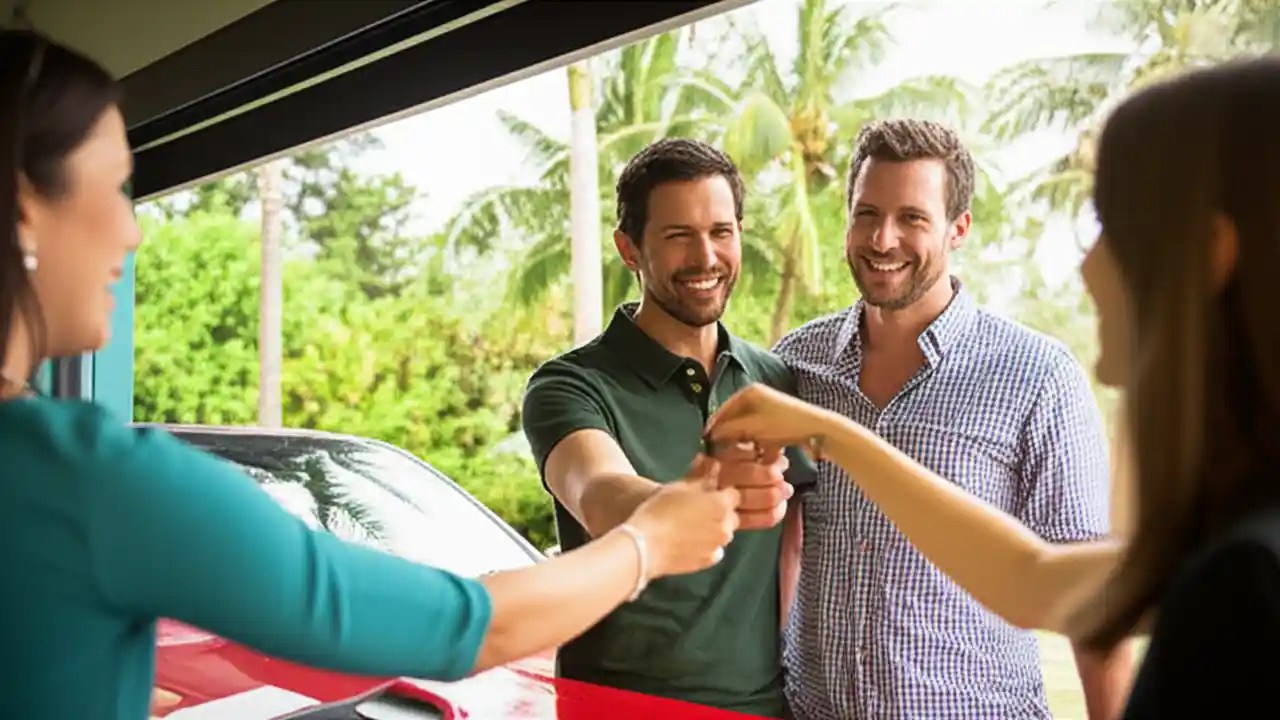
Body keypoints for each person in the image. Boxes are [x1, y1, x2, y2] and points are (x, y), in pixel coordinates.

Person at [0, 29, 742, 720]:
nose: (131, 230)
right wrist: (648, 542)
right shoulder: (86, 478)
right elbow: (460, 627)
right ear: (27, 210)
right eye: (112, 188)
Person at [706, 56, 1280, 718]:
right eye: (867, 213)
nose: (1088, 262)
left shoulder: (1249, 580)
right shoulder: (1223, 550)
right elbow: (1030, 580)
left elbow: (1065, 595)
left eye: (1112, 225)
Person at [760, 118, 1133, 720]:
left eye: (912, 218)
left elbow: (1091, 604)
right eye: (866, 213)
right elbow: (782, 543)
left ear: (958, 228)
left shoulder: (1038, 377)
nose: (883, 239)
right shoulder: (796, 365)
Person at [521, 138, 816, 718]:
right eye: (679, 236)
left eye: (721, 231)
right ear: (629, 249)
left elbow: (791, 554)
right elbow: (600, 493)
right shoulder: (570, 385)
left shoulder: (775, 380)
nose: (706, 257)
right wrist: (699, 496)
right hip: (611, 708)